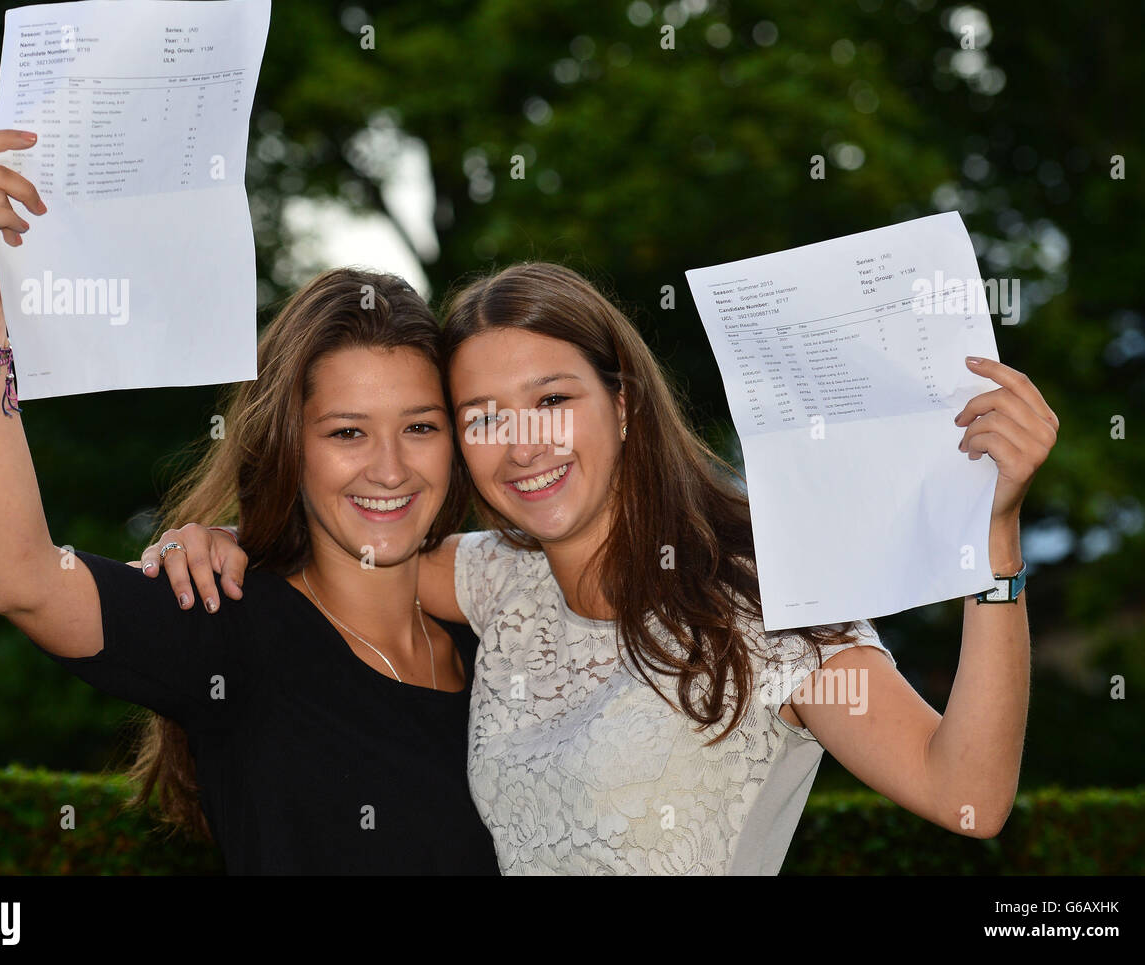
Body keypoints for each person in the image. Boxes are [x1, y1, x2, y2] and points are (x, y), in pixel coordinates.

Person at [145, 262, 1057, 875]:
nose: (523, 444)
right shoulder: (497, 578)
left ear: (621, 405)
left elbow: (968, 796)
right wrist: (224, 540)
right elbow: (344, 546)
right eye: (483, 416)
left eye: (552, 399)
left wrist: (996, 548)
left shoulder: (762, 595)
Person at [0, 128, 499, 875]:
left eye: (420, 427)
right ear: (289, 448)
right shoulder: (230, 621)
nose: (390, 469)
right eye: (347, 432)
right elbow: (18, 576)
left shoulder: (500, 635)